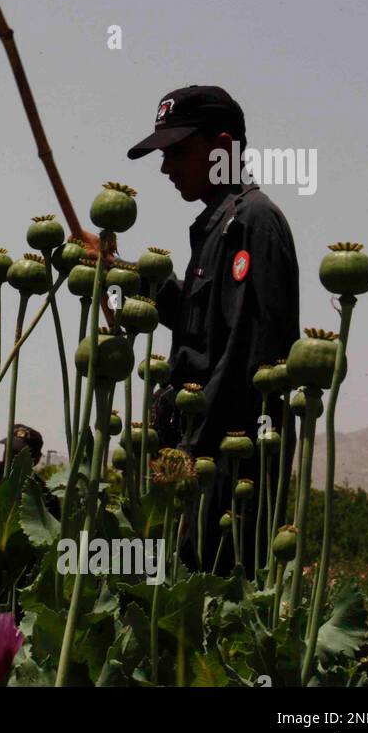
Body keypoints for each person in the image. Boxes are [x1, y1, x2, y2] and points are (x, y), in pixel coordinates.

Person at [128, 85, 299, 572]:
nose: (165, 168)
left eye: (177, 151)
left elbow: (249, 354)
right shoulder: (216, 226)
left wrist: (191, 452)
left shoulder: (253, 222)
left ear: (223, 147)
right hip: (198, 454)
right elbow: (199, 325)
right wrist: (117, 272)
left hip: (229, 461)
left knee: (216, 603)